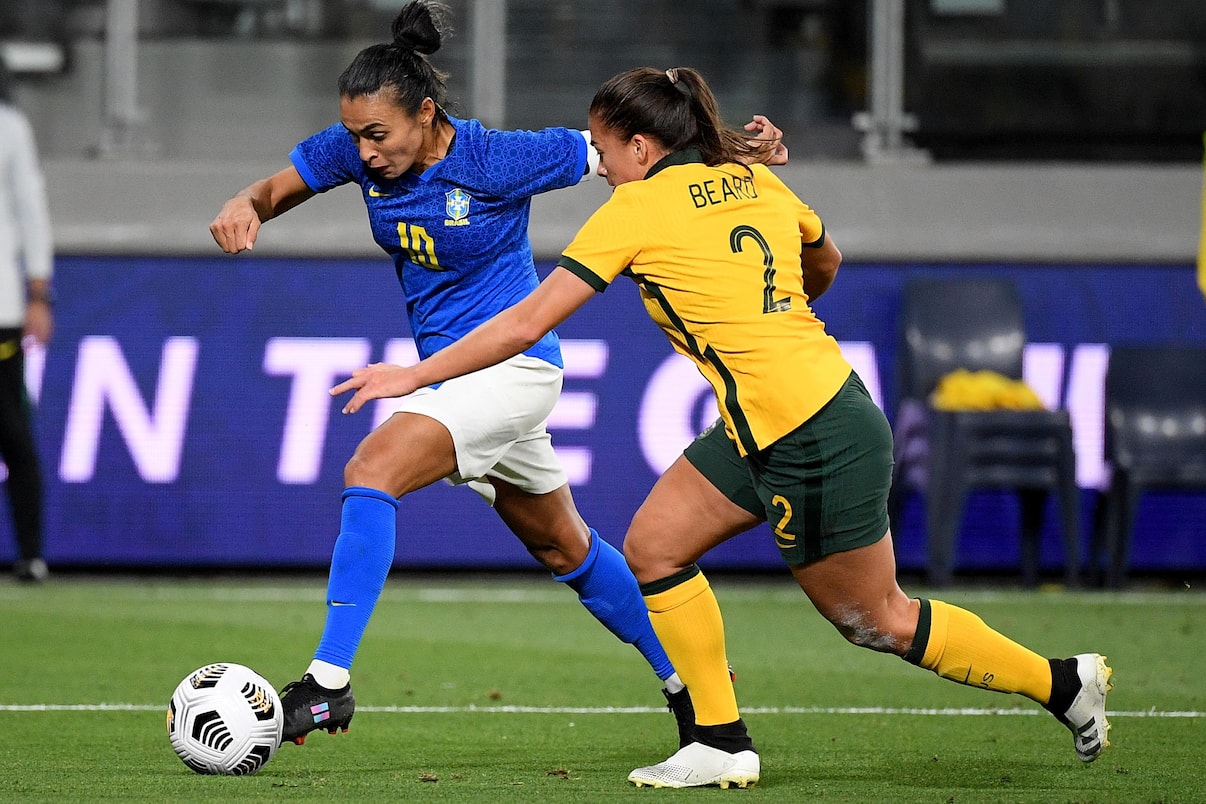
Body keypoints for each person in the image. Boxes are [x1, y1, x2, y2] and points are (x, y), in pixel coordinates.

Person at [329, 66, 1115, 790]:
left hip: (808, 433)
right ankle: (718, 738)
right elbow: (825, 261)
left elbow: (526, 322)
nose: (599, 164)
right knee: (655, 545)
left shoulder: (634, 209)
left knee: (876, 619)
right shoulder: (753, 180)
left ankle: (1060, 682)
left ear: (640, 146)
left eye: (603, 148)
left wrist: (414, 376)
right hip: (788, 410)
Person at [209, 2, 785, 748]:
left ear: (425, 112)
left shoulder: (499, 159)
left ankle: (326, 684)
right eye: (354, 135)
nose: (363, 152)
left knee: (373, 467)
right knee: (564, 547)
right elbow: (272, 191)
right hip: (459, 383)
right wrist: (242, 204)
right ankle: (690, 693)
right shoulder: (355, 150)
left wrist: (737, 152)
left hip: (513, 368)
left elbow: (637, 152)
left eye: (376, 135)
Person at [0, 61, 53, 583]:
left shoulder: (9, 128)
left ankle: (31, 553)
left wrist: (39, 291)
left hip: (1, 313)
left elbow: (30, 210)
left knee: (14, 436)